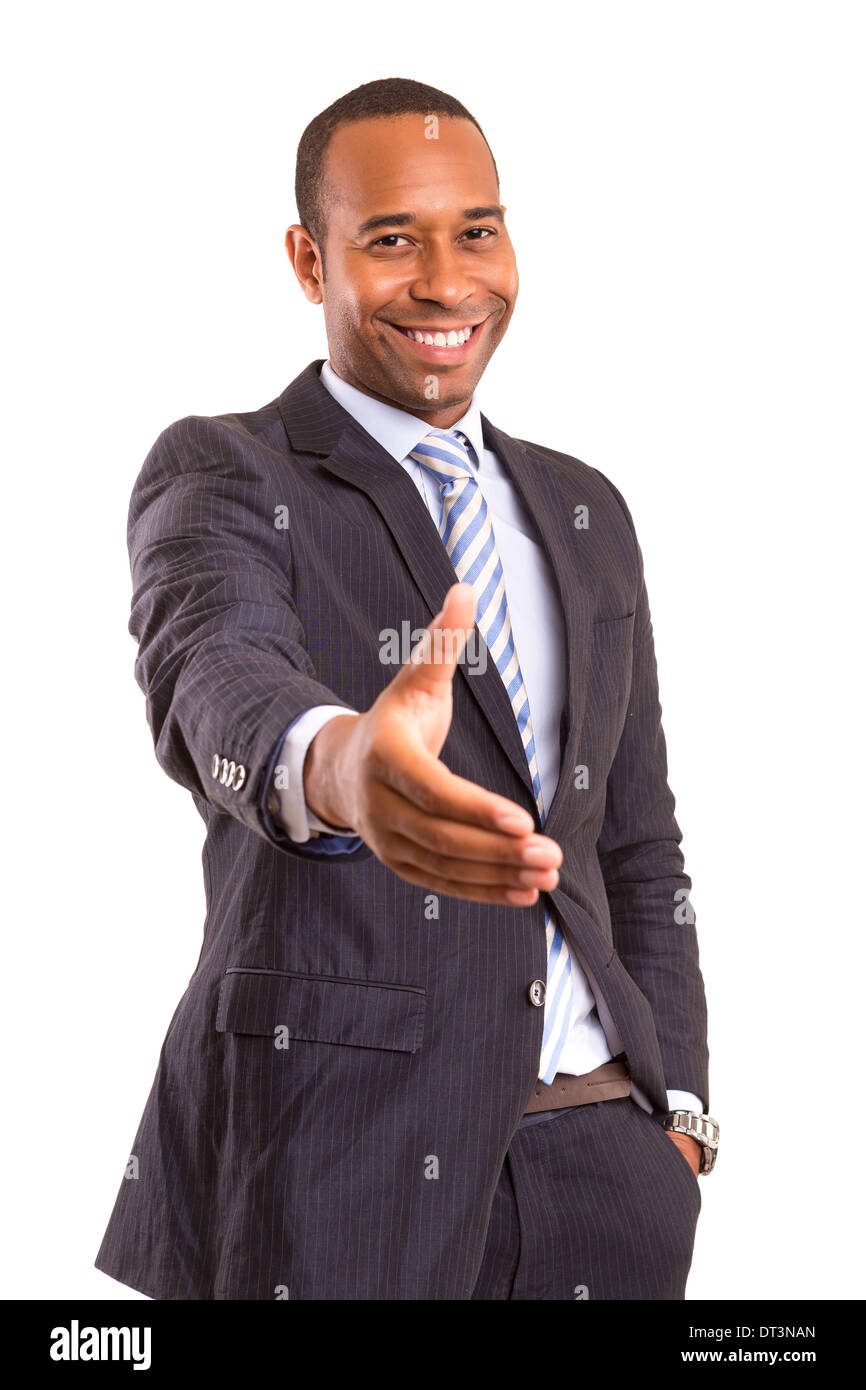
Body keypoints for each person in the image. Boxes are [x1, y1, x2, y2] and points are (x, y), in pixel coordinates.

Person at [95, 76, 717, 1301]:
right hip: (335, 1176)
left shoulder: (584, 512)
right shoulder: (224, 469)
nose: (445, 282)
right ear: (307, 258)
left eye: (474, 230)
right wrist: (334, 767)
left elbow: (637, 845)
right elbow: (213, 669)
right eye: (390, 240)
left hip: (604, 1176)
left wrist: (678, 1116)